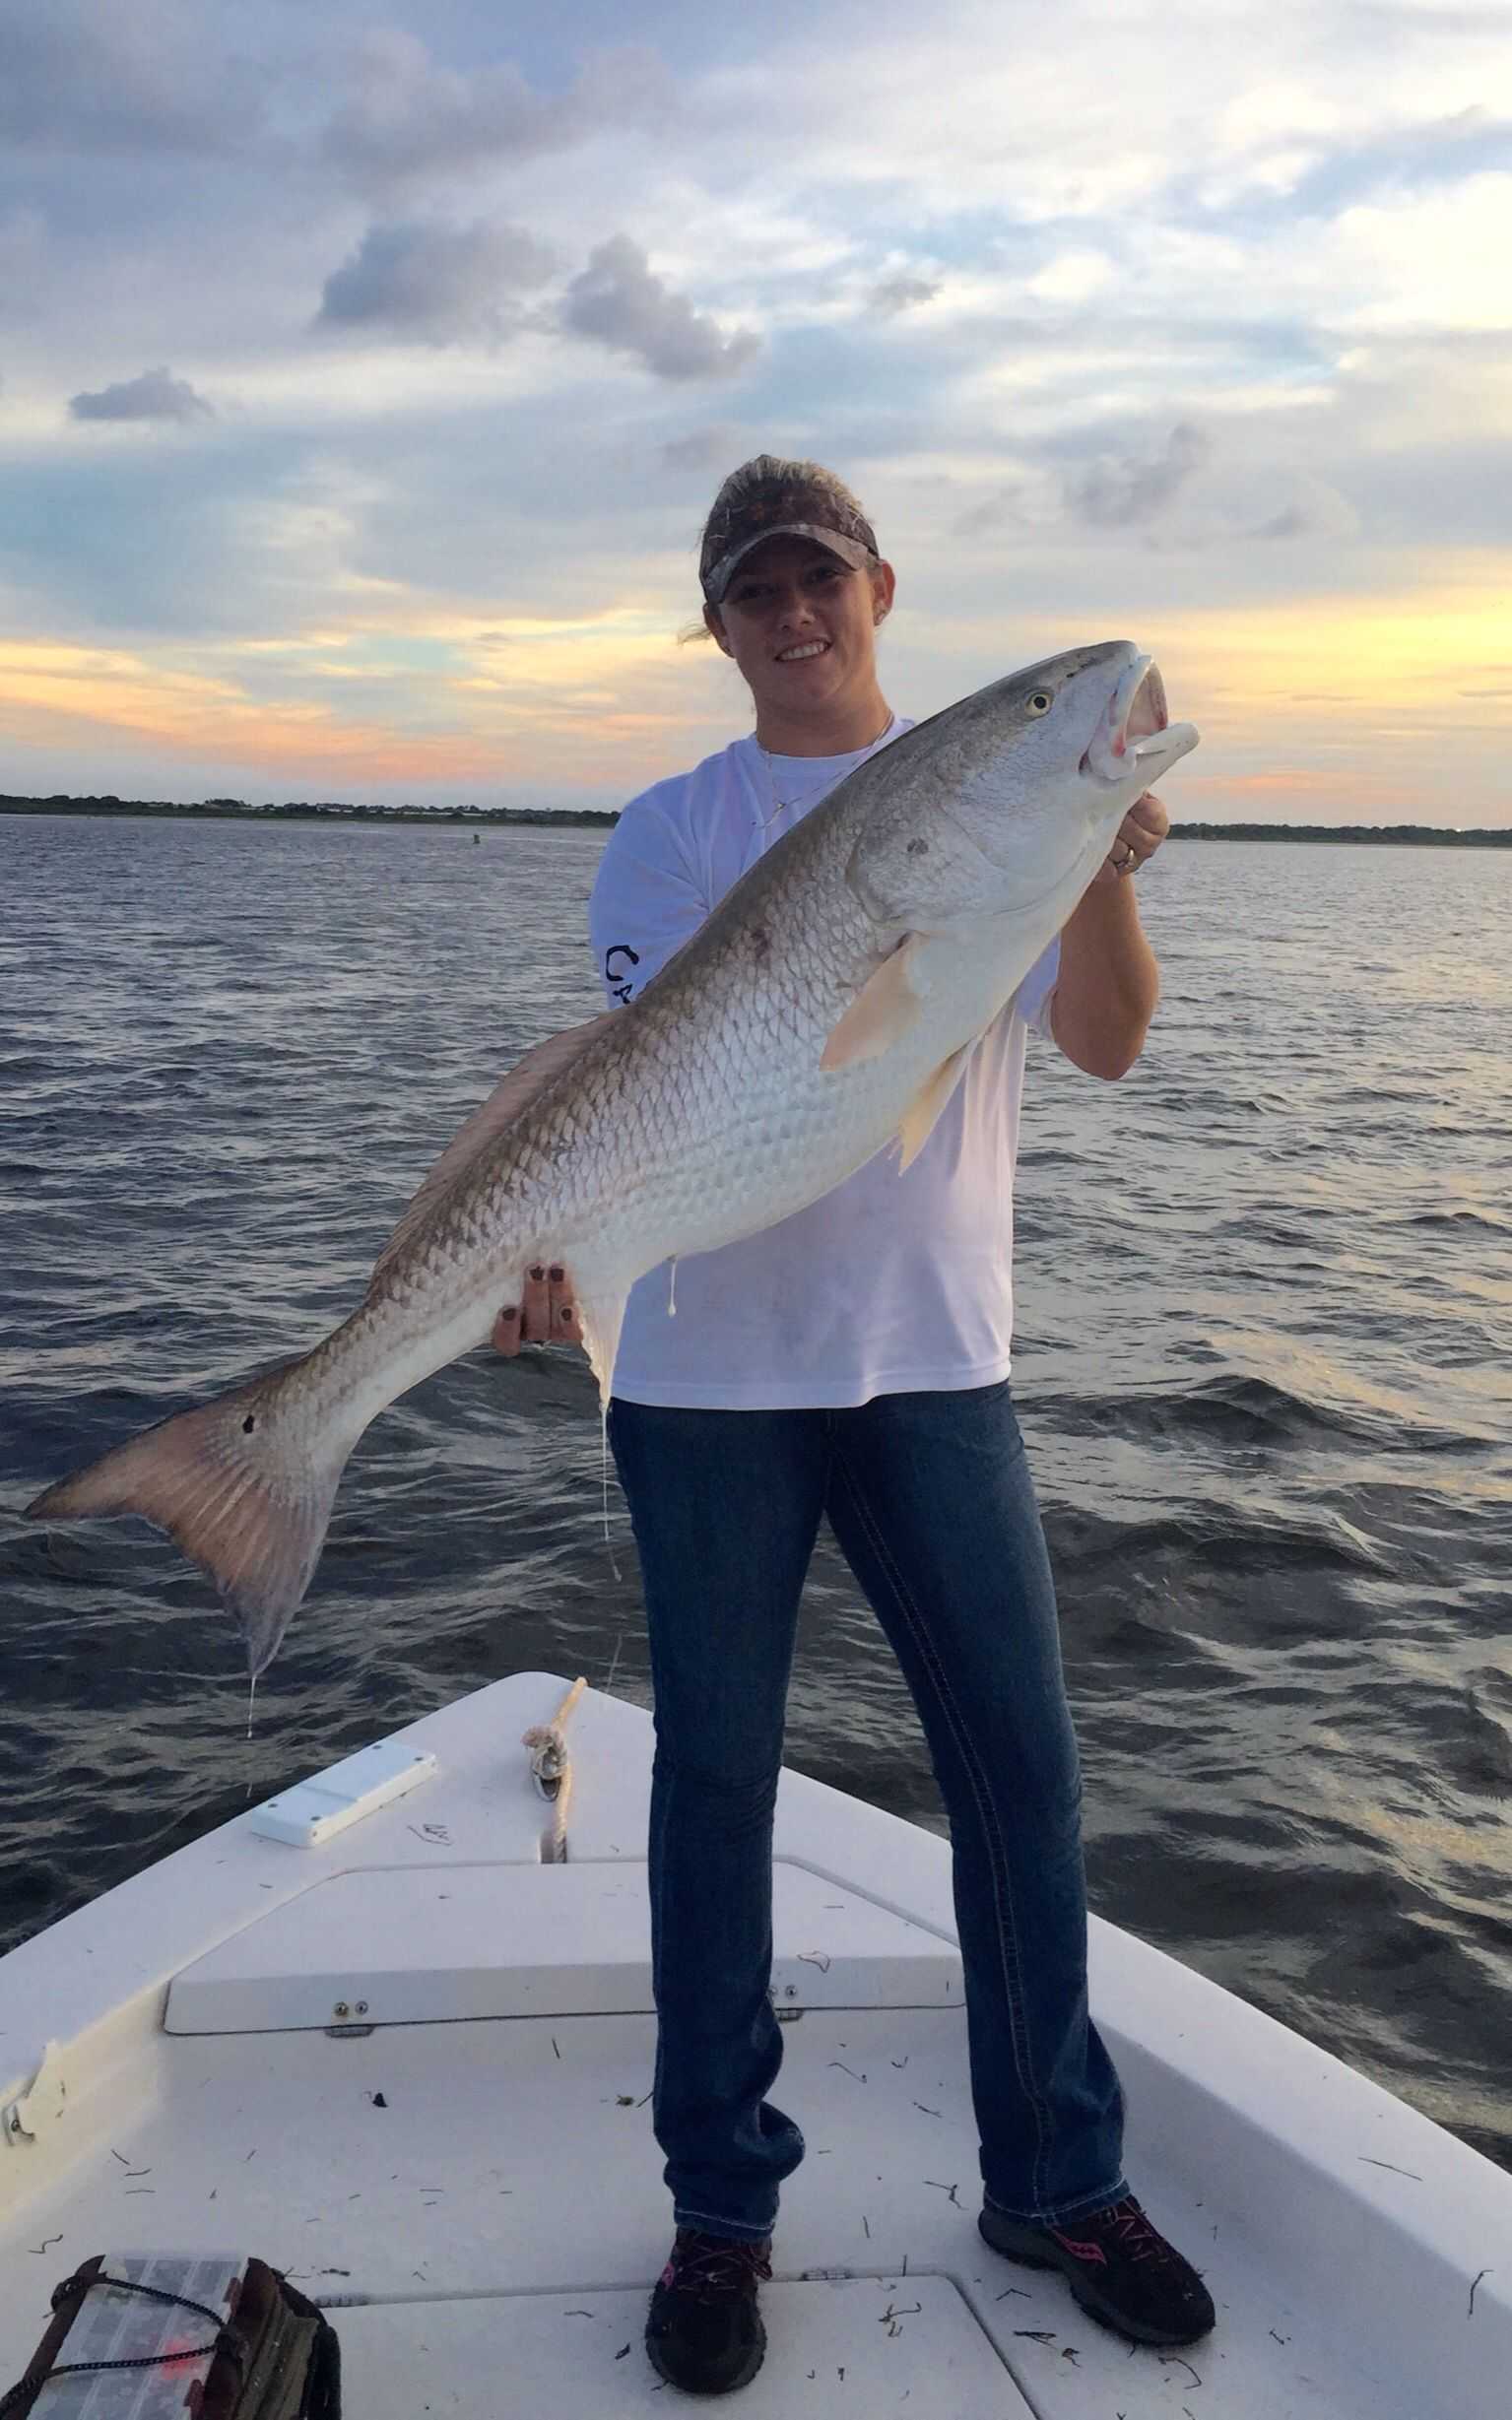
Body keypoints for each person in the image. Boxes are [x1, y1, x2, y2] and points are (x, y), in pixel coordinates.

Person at [493, 456, 1216, 2395]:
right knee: (713, 1795)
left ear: (882, 587)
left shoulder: (1008, 811)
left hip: (936, 1362)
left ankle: (1058, 2175)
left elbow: (1110, 1042)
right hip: (709, 1381)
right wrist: (544, 1253)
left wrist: (1107, 872)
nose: (794, 610)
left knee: (1024, 1778)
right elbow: (657, 1092)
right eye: (755, 588)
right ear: (715, 624)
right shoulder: (670, 831)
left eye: (822, 575)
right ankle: (721, 2210)